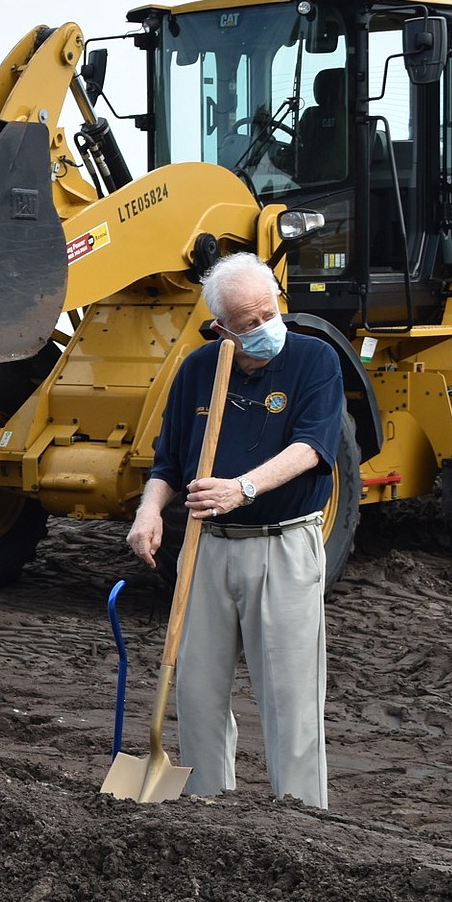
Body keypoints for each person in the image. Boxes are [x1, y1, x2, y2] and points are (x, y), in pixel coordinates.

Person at [127, 252, 342, 807]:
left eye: (269, 313)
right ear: (221, 327)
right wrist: (149, 512)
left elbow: (312, 447)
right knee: (196, 690)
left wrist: (241, 487)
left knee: (290, 698)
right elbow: (168, 463)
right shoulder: (199, 368)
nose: (264, 328)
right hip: (205, 548)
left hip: (283, 543)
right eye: (247, 324)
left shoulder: (314, 360)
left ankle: (302, 822)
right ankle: (206, 811)